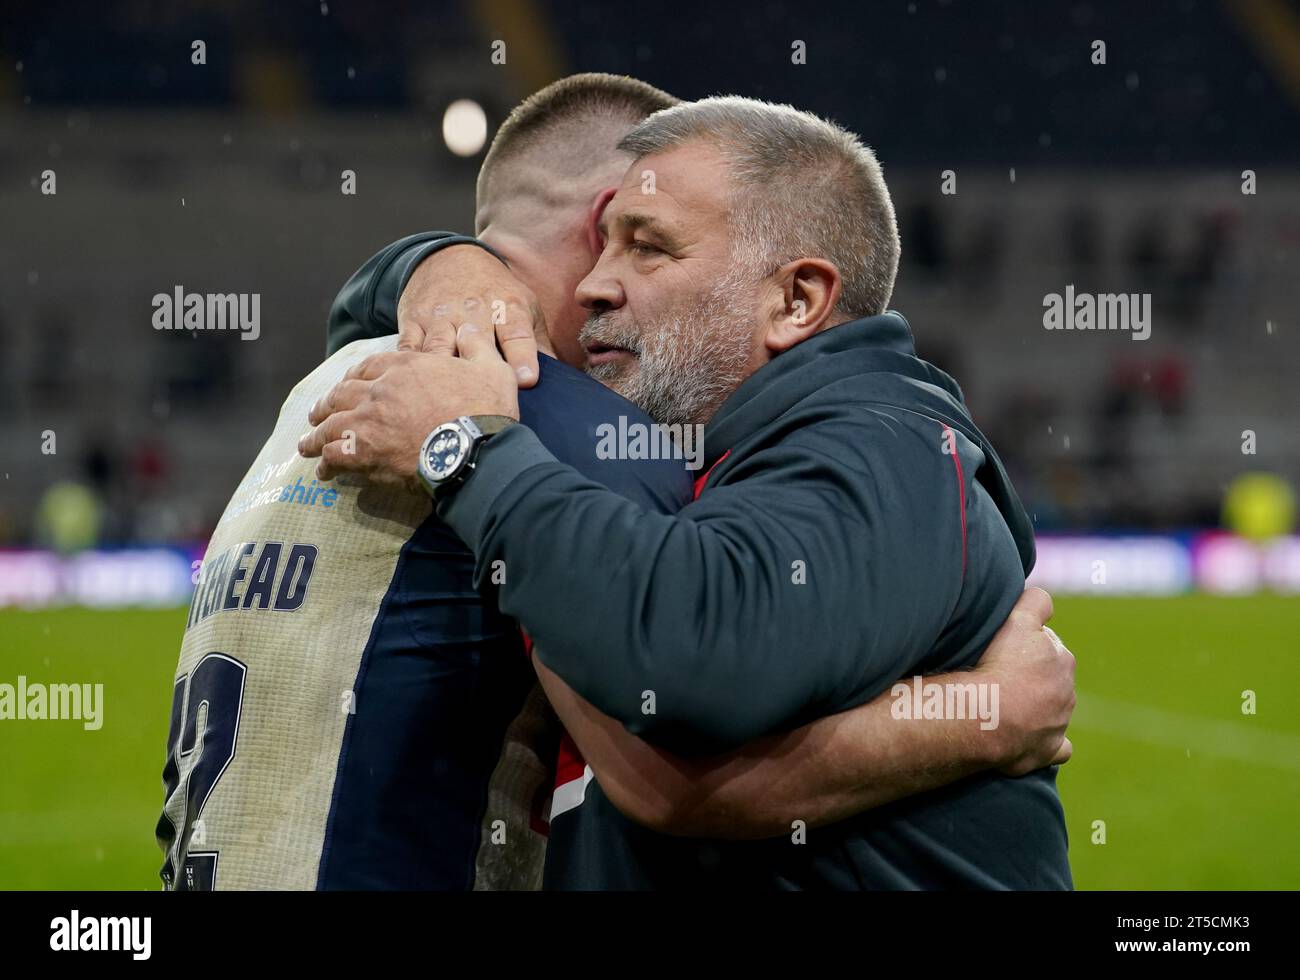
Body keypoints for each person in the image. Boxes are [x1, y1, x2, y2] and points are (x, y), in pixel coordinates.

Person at [302, 89, 1075, 888]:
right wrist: (446, 263)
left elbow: (691, 655)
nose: (592, 286)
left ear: (796, 300)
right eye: (600, 245)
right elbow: (667, 782)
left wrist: (463, 454)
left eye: (647, 247)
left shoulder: (884, 443)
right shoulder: (702, 456)